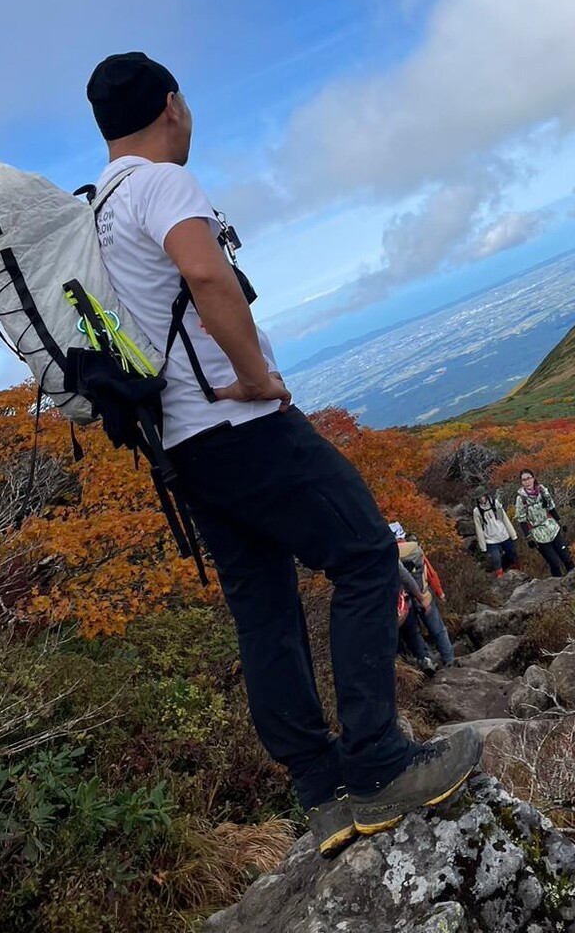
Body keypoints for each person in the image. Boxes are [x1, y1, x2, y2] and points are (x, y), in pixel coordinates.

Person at [85, 52, 480, 857]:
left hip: (183, 452)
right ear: (172, 105)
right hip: (239, 425)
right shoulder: (161, 184)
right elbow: (204, 273)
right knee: (368, 554)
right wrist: (258, 376)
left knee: (263, 609)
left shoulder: (99, 210)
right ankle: (378, 763)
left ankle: (324, 793)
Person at [391, 522, 454, 669]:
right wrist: (440, 593)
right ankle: (449, 659)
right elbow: (431, 573)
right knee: (438, 630)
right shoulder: (415, 549)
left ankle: (428, 662)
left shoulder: (389, 554)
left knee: (414, 634)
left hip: (405, 602)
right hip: (425, 596)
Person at [514, 468, 574, 578]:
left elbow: (551, 507)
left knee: (566, 557)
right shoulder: (521, 499)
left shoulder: (542, 490)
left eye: (528, 478)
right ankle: (557, 586)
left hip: (551, 527)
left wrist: (560, 521)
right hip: (538, 533)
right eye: (524, 480)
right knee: (554, 563)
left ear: (533, 478)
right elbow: (522, 519)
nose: (527, 481)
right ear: (521, 482)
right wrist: (528, 537)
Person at [472, 488, 518, 576]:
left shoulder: (495, 503)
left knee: (511, 554)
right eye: (479, 498)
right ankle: (500, 577)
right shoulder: (477, 511)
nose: (482, 499)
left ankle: (515, 574)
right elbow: (479, 529)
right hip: (491, 539)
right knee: (496, 559)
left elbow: (504, 518)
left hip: (503, 534)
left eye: (482, 496)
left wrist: (513, 534)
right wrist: (483, 546)